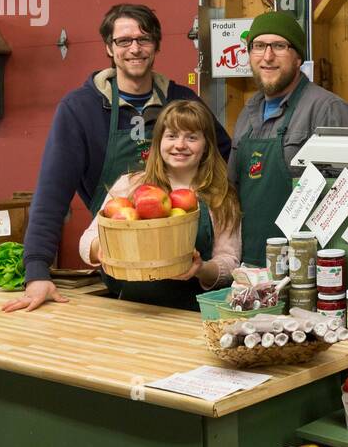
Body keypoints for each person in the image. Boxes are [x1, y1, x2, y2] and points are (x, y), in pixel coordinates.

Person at [4, 3, 231, 312]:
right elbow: (51, 196)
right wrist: (37, 272)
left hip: (192, 287)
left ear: (156, 45)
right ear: (109, 48)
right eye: (124, 41)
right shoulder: (80, 109)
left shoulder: (183, 101)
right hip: (124, 282)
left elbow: (225, 160)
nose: (134, 48)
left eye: (144, 39)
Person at [79, 100, 240, 309]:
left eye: (191, 137)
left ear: (207, 144)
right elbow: (86, 241)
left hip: (192, 315)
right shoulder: (130, 185)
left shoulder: (220, 197)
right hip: (131, 310)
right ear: (158, 142)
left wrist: (200, 269)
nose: (180, 145)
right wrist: (102, 247)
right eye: (171, 136)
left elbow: (230, 264)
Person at [229, 10, 348, 265]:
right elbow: (232, 189)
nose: (267, 56)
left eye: (279, 46)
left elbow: (347, 198)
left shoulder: (328, 109)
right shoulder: (247, 113)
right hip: (250, 264)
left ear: (298, 57)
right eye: (259, 46)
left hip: (306, 270)